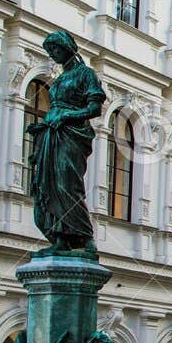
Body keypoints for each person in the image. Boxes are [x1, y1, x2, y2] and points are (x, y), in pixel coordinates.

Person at [29, 30, 106, 254]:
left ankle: (85, 236)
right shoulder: (61, 78)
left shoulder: (86, 74)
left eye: (55, 49)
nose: (52, 54)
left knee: (67, 184)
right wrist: (42, 127)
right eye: (49, 50)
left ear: (66, 47)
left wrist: (66, 116)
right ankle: (60, 237)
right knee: (49, 184)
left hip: (72, 133)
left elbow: (94, 108)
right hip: (52, 134)